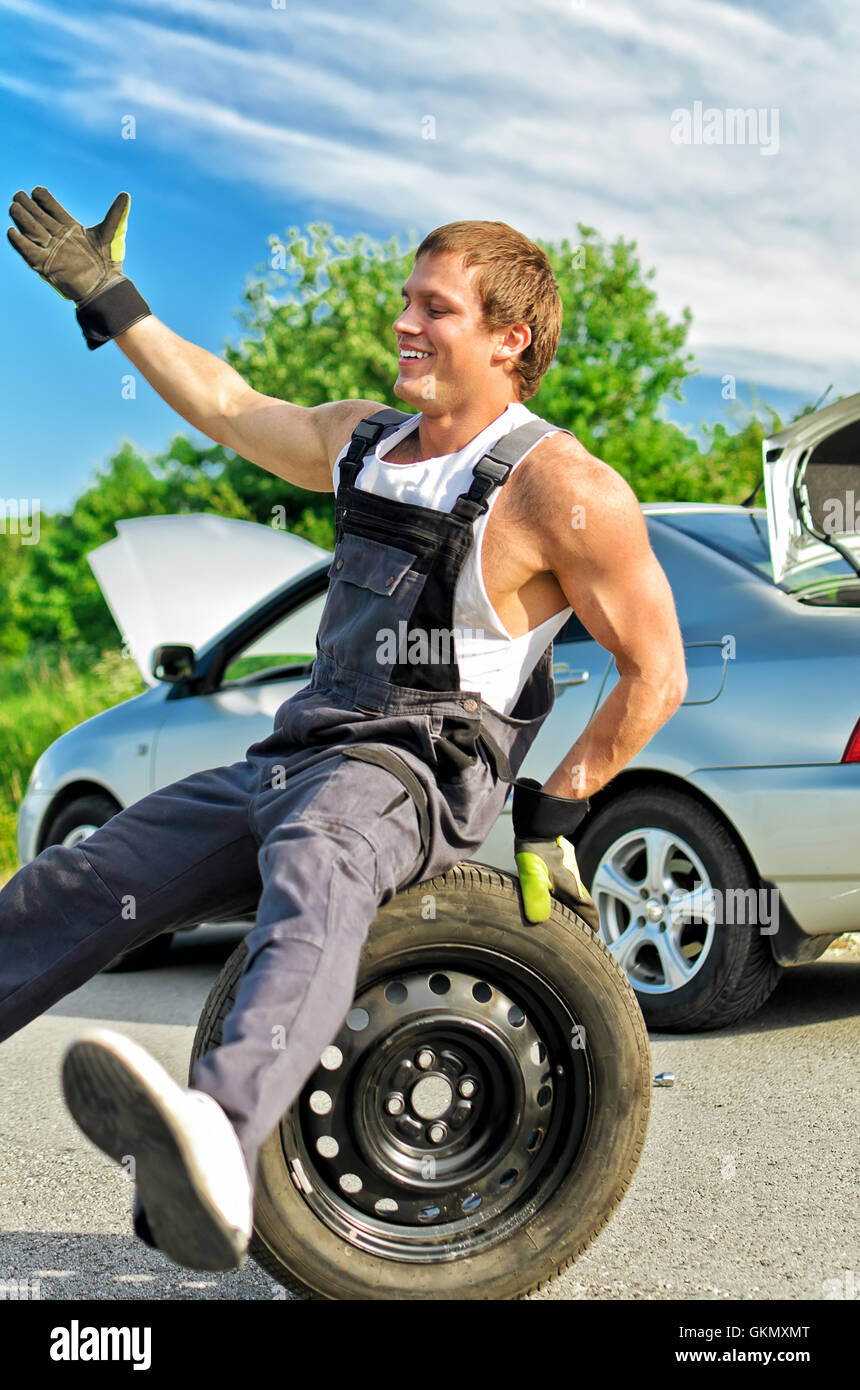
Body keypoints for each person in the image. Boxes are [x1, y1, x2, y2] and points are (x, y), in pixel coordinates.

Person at [4, 188, 687, 1273]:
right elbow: (227, 404)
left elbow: (655, 672)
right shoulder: (364, 442)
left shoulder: (563, 488)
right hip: (300, 750)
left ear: (511, 338)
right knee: (87, 875)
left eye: (435, 309)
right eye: (404, 303)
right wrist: (111, 296)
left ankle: (218, 1146)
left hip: (413, 770)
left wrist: (557, 806)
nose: (404, 325)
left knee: (320, 864)